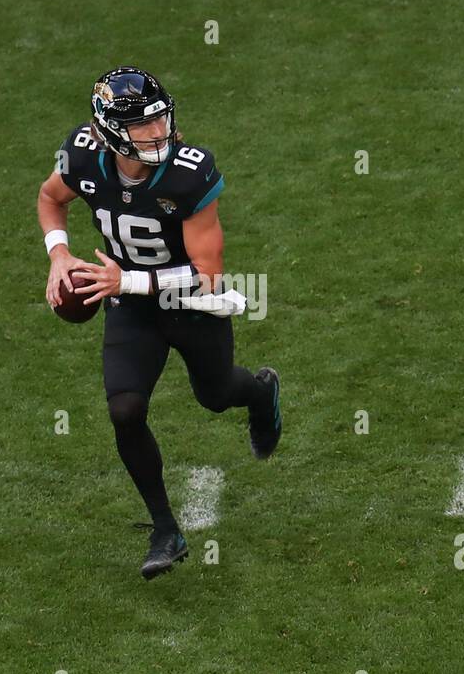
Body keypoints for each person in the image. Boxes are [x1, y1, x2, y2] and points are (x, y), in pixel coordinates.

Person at [36, 66, 281, 580]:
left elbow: (209, 274)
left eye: (161, 118)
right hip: (128, 303)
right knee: (124, 409)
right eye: (144, 126)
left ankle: (260, 393)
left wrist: (130, 281)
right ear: (109, 133)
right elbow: (50, 198)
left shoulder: (189, 173)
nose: (159, 132)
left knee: (215, 396)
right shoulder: (83, 156)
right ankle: (165, 528)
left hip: (190, 301)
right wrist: (58, 256)